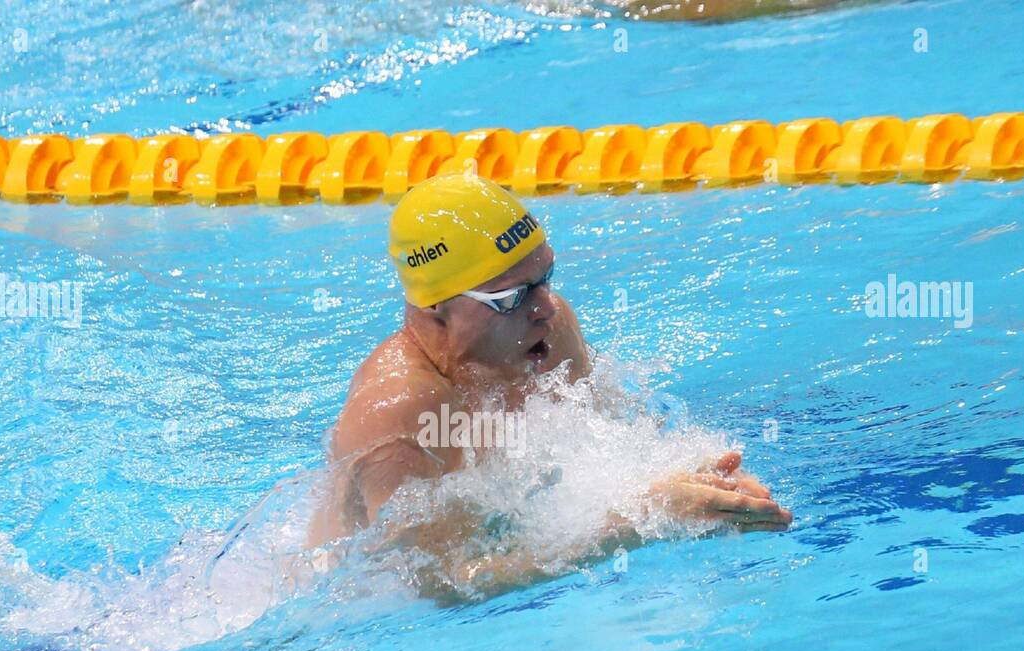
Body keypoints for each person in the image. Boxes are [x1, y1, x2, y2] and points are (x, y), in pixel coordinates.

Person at [306, 173, 791, 596]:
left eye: (545, 279)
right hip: (346, 608)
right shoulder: (400, 408)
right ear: (436, 308)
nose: (546, 308)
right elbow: (447, 583)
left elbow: (614, 445)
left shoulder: (547, 334)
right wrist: (641, 521)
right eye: (513, 297)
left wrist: (697, 490)